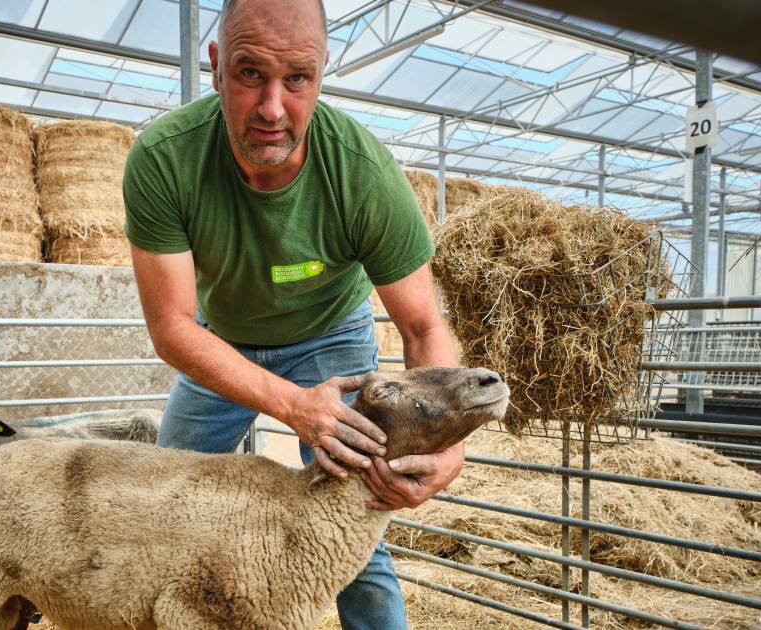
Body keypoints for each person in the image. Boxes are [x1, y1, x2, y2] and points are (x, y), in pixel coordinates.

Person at [122, 0, 464, 627]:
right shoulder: (164, 159)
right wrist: (292, 405)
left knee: (355, 507)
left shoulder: (362, 172)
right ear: (218, 66)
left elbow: (423, 327)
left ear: (322, 72)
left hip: (331, 334)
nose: (274, 108)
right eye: (251, 74)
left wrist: (447, 449)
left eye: (297, 78)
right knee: (162, 499)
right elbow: (172, 326)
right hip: (220, 342)